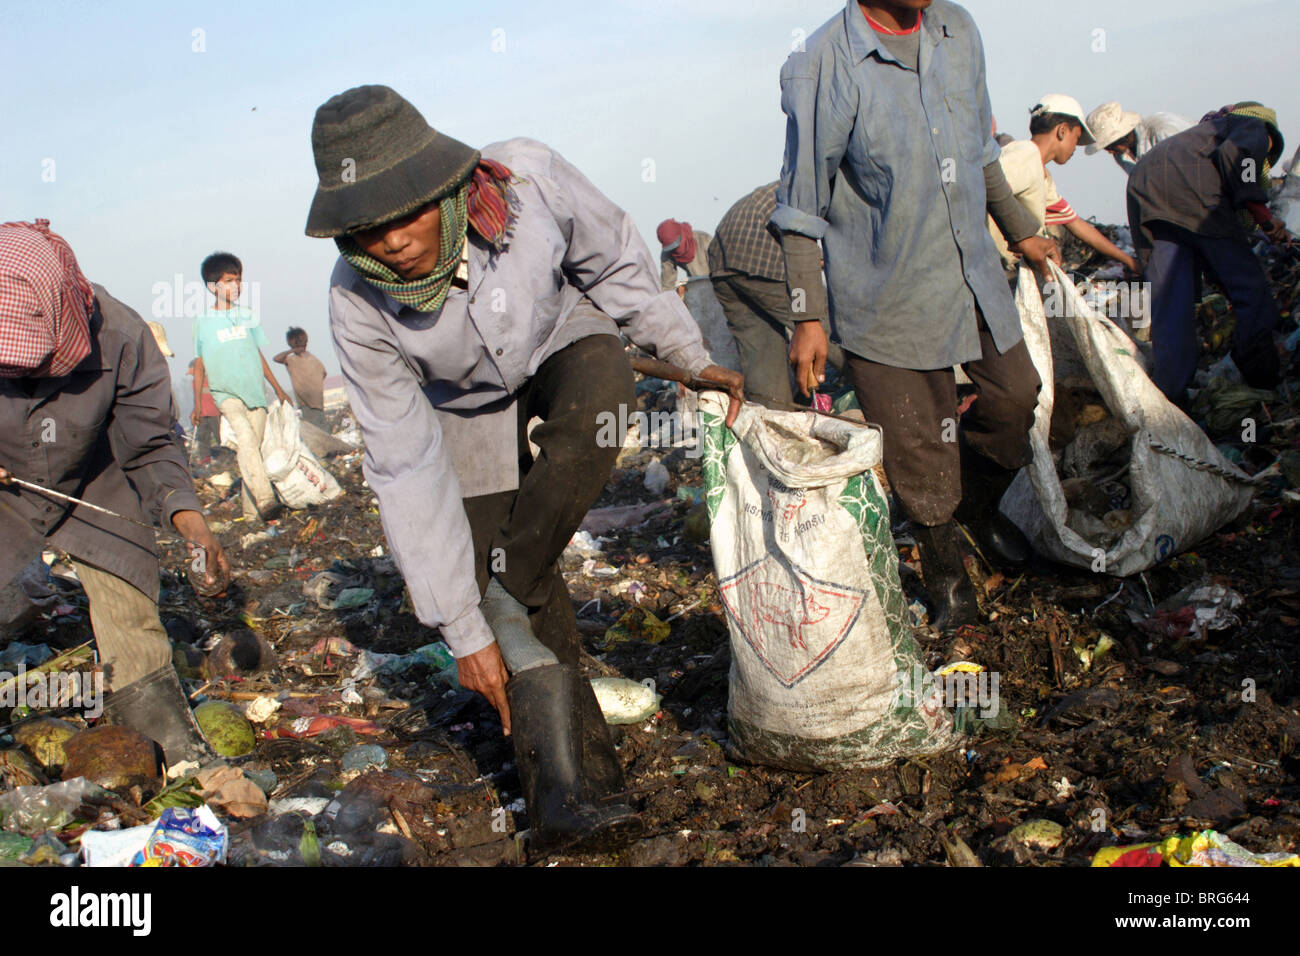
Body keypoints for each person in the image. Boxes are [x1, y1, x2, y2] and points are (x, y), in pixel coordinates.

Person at [304, 85, 743, 852]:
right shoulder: (356, 304)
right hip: (460, 409)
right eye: (366, 231)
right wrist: (462, 626)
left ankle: (512, 586)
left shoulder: (529, 183)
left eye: (405, 213)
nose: (393, 243)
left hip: (557, 339)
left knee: (603, 392)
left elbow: (617, 264)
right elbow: (404, 464)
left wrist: (688, 355)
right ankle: (573, 797)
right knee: (525, 613)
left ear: (445, 187)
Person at [772, 0, 1058, 634]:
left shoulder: (957, 29)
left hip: (970, 271)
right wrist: (808, 316)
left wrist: (1022, 230)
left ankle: (975, 510)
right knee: (918, 438)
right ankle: (945, 571)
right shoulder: (824, 64)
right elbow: (799, 208)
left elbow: (982, 152)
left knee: (1017, 398)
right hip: (885, 292)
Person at [0, 220, 230, 765]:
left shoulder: (123, 338)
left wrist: (192, 525)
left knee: (130, 612)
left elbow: (151, 447)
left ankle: (168, 748)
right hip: (8, 490)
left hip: (94, 485)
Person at [1128, 102, 1291, 403]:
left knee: (1171, 303)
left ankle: (1170, 400)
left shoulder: (1198, 138)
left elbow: (1216, 263)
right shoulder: (1256, 127)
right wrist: (1264, 216)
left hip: (1146, 184)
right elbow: (1238, 156)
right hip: (1192, 191)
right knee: (1253, 291)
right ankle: (1262, 376)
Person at [709, 181, 843, 406]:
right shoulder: (829, 188)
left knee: (761, 357)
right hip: (760, 249)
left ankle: (776, 423)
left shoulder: (799, 182)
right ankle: (875, 393)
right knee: (829, 325)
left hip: (723, 256)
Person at [190, 252, 293, 522]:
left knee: (252, 454)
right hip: (226, 394)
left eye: (238, 280)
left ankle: (251, 516)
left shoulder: (247, 315)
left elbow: (257, 354)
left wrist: (279, 390)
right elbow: (200, 364)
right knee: (246, 441)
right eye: (229, 281)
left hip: (255, 394)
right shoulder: (203, 321)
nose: (236, 286)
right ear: (213, 286)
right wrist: (198, 404)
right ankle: (266, 500)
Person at [989, 95, 1139, 275]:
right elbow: (987, 189)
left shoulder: (1041, 173)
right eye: (1076, 138)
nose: (1075, 148)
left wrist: (1128, 261)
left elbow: (1074, 223)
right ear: (1062, 131)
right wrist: (1021, 237)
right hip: (991, 265)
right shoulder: (1024, 156)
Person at [1086, 101, 1193, 176]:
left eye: (1110, 145)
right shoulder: (1121, 156)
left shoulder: (1162, 130)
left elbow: (1191, 168)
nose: (1109, 151)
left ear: (1123, 136)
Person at [273, 326, 329, 430]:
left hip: (308, 405)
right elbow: (324, 373)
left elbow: (277, 358)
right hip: (315, 404)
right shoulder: (311, 359)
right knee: (321, 431)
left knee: (315, 435)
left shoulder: (292, 360)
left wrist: (292, 350)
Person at [656, 218, 711, 292]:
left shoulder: (705, 240)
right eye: (672, 247)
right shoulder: (668, 252)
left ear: (682, 235)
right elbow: (667, 286)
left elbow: (720, 272)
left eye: (677, 244)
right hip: (695, 289)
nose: (676, 249)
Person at [186, 358, 223, 462]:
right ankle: (205, 458)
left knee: (219, 435)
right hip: (202, 413)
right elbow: (197, 399)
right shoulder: (195, 382)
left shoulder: (211, 380)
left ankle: (225, 455)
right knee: (202, 437)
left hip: (214, 412)